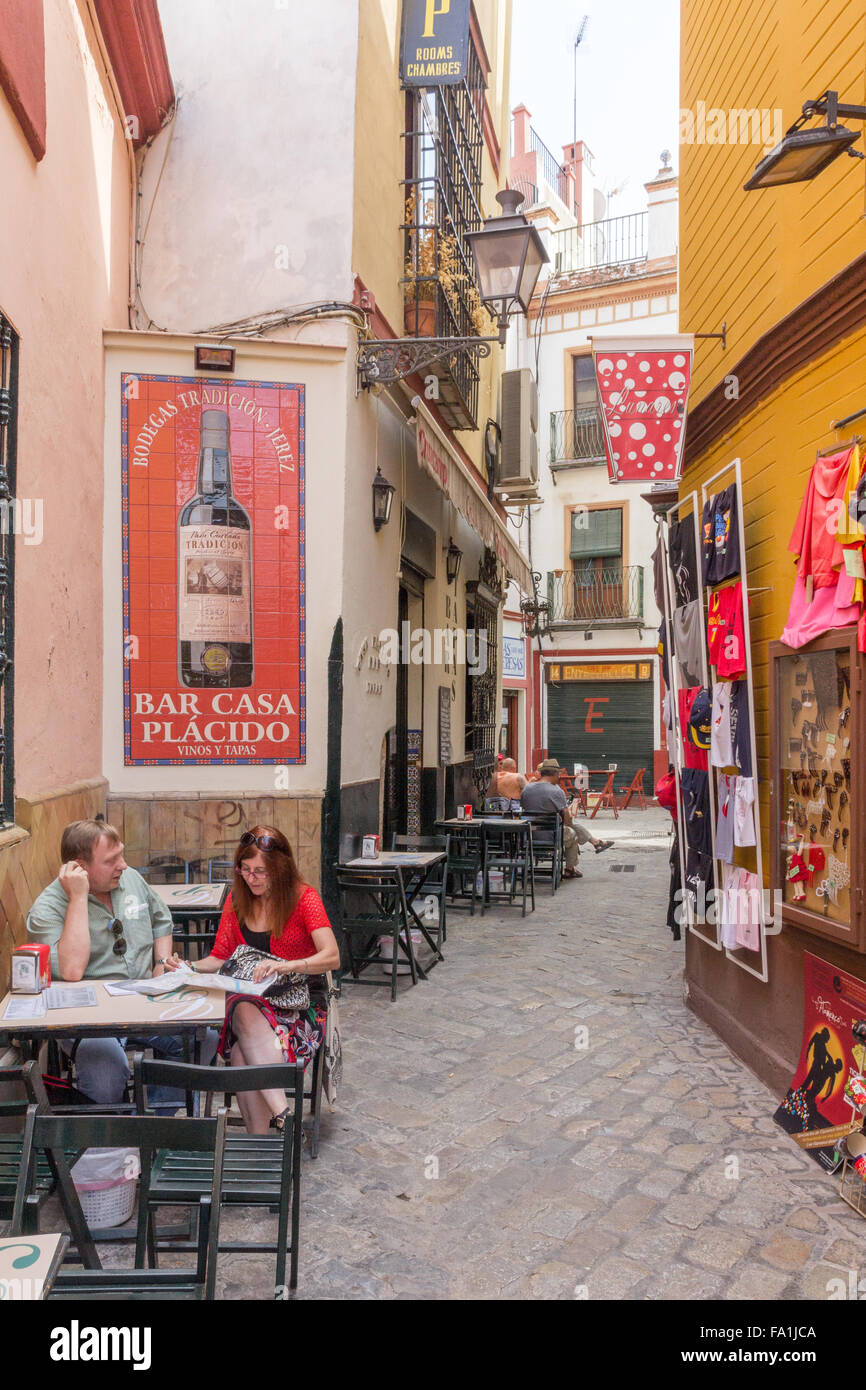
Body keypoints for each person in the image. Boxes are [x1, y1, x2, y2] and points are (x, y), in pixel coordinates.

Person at [26, 819, 214, 1109]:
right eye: (111, 860)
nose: (123, 865)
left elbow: (161, 918)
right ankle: (114, 1128)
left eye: (121, 855)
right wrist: (78, 897)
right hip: (89, 1016)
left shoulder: (130, 879)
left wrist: (161, 960)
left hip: (144, 999)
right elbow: (72, 970)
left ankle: (150, 1123)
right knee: (107, 1071)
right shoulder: (47, 909)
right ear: (80, 867)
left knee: (205, 1038)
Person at [165, 825, 339, 1134]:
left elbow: (332, 956)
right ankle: (281, 1118)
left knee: (240, 1049)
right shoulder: (237, 900)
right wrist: (187, 967)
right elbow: (220, 957)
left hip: (300, 1004)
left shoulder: (304, 898)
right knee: (244, 1013)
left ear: (280, 868)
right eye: (245, 870)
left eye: (260, 871)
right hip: (253, 1003)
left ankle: (263, 1136)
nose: (251, 878)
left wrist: (287, 966)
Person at [520, 759, 613, 879]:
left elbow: (525, 808)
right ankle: (570, 869)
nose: (559, 777)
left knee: (570, 826)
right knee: (572, 833)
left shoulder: (527, 788)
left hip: (528, 834)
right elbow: (567, 820)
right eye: (558, 774)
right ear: (554, 774)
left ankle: (595, 843)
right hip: (551, 835)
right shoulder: (556, 791)